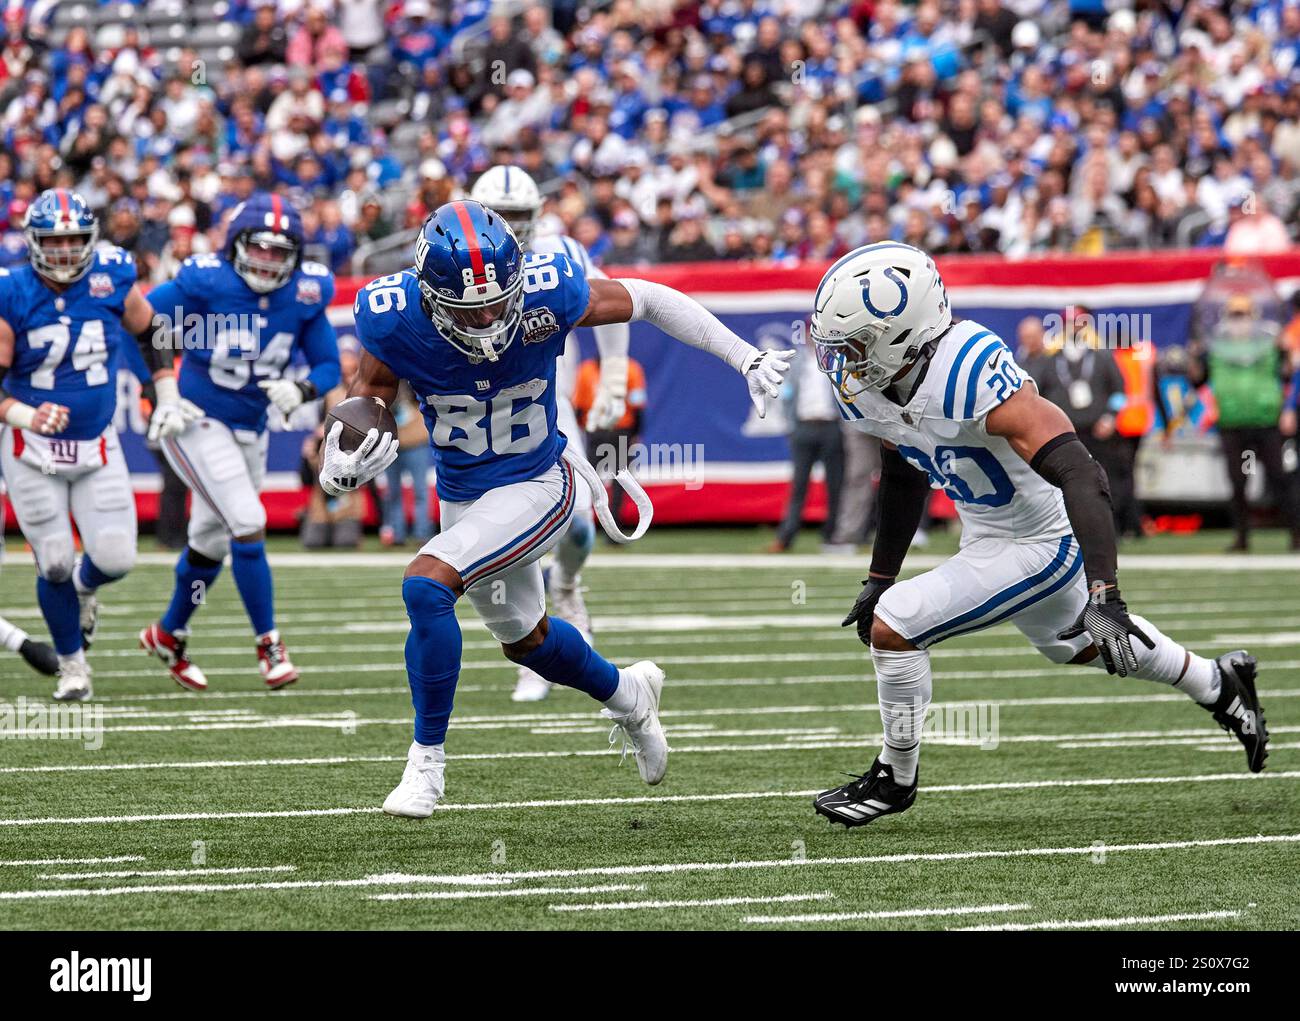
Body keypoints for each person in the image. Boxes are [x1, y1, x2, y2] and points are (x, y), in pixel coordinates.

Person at [324, 199, 794, 818]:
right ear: (432, 299)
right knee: (529, 642)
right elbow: (375, 390)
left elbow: (649, 297)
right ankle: (629, 695)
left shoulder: (551, 290)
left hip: (541, 481)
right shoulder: (393, 316)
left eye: (500, 300)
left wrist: (744, 356)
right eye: (473, 309)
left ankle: (425, 768)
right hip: (464, 493)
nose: (492, 318)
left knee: (425, 587)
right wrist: (347, 452)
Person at [807, 242, 1268, 827]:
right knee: (1079, 646)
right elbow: (901, 472)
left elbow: (1082, 470)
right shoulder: (875, 386)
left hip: (1044, 540)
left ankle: (894, 777)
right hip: (987, 534)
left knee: (896, 625)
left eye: (855, 344)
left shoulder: (966, 368)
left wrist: (1106, 591)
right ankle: (1220, 683)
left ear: (901, 335)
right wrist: (879, 575)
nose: (843, 359)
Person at [139, 194, 341, 692]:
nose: (269, 261)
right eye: (260, 248)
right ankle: (269, 644)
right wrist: (160, 388)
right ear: (236, 245)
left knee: (208, 542)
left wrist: (303, 388)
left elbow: (329, 365)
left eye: (280, 251)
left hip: (250, 431)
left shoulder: (307, 291)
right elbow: (138, 322)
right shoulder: (207, 279)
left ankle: (168, 632)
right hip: (195, 420)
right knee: (249, 523)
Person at [0, 189, 192, 701]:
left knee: (115, 558)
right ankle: (72, 666)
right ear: (34, 242)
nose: (64, 251)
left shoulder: (111, 274)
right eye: (53, 241)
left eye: (73, 240)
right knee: (55, 561)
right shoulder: (12, 291)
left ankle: (83, 594)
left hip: (95, 443)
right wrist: (25, 414)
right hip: (31, 450)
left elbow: (151, 330)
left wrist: (167, 390)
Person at [469, 164, 631, 702]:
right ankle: (534, 650)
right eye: (502, 218)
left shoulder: (560, 252)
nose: (512, 229)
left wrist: (610, 377)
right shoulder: (457, 256)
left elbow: (613, 305)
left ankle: (566, 587)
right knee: (515, 536)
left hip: (546, 400)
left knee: (581, 522)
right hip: (479, 412)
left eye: (520, 218)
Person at [1190, 292, 1300, 551]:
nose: (1239, 321)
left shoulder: (1271, 344)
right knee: (1238, 482)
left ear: (1254, 318)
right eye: (1235, 315)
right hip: (1232, 421)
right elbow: (1198, 380)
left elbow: (1288, 377)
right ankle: (1242, 537)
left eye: (1244, 315)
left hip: (1266, 420)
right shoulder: (1215, 347)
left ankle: (1296, 533)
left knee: (1279, 478)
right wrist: (1194, 358)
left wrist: (1288, 408)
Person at [769, 344, 845, 553]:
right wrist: (790, 425)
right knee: (799, 484)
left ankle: (831, 536)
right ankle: (786, 536)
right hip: (804, 426)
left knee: (835, 483)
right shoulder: (797, 361)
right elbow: (786, 393)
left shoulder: (836, 361)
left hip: (830, 425)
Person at [379, 382, 434, 546]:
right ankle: (397, 534)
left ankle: (422, 533)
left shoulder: (416, 379)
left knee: (420, 491)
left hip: (416, 444)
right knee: (393, 492)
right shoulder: (386, 382)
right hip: (393, 445)